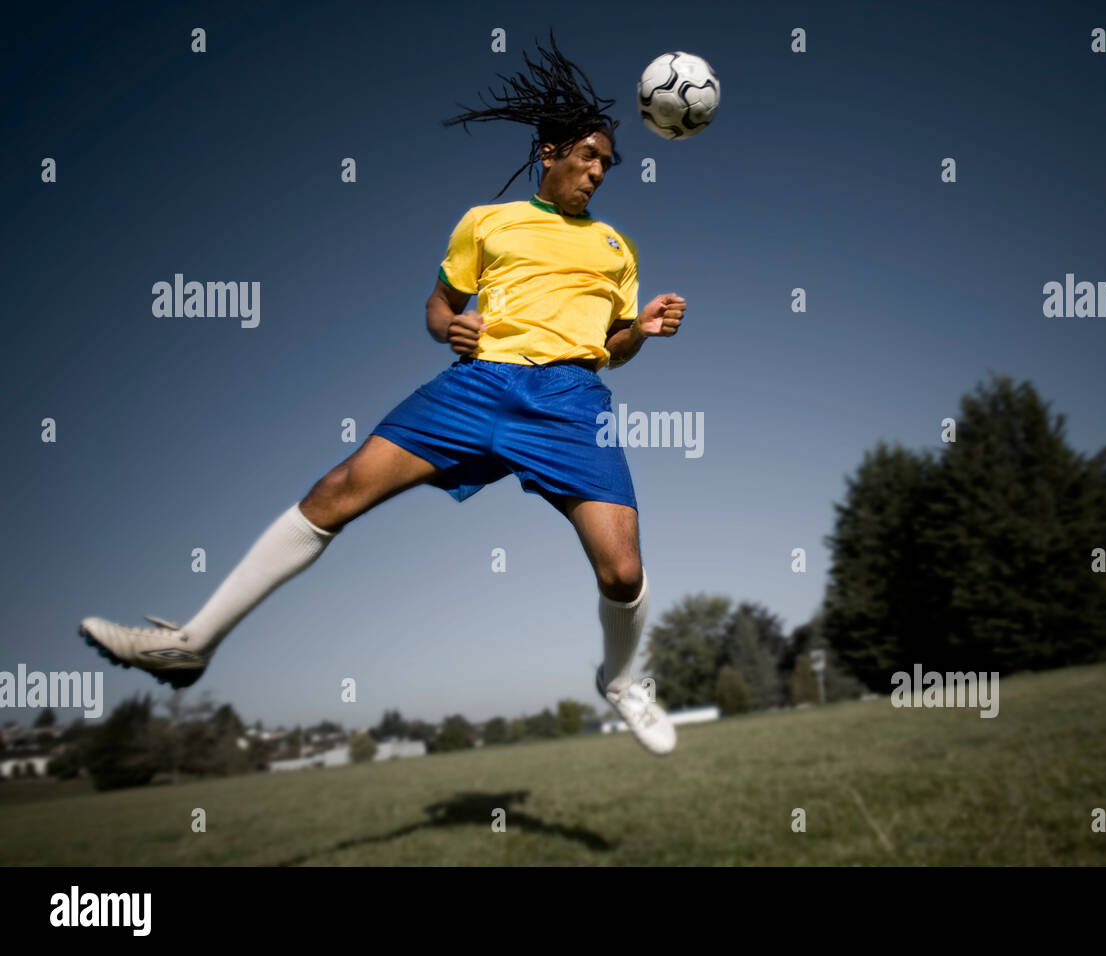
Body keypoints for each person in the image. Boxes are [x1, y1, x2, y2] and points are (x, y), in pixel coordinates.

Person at [79, 31, 686, 756]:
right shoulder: (485, 222)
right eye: (588, 156)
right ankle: (190, 642)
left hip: (570, 399)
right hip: (479, 384)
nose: (598, 173)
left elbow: (613, 350)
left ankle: (621, 679)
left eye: (608, 165)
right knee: (337, 490)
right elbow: (438, 307)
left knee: (622, 570)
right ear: (549, 151)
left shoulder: (618, 249)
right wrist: (453, 325)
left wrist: (643, 329)